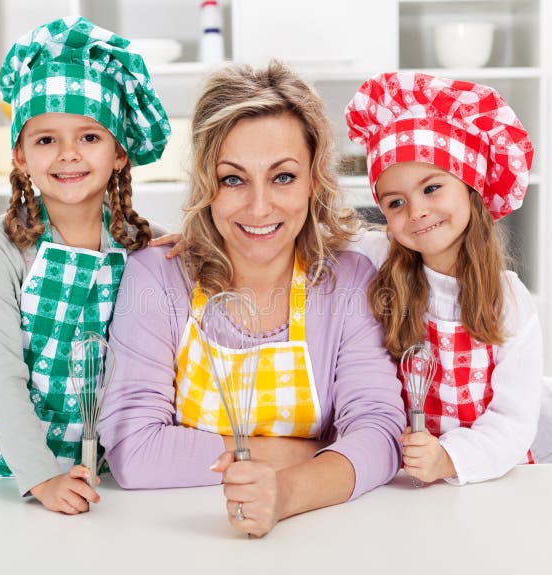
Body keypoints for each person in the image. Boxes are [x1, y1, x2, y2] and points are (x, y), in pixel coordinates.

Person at [98, 61, 405, 537]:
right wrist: (313, 451)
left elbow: (381, 436)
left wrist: (285, 495)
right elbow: (133, 454)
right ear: (206, 184)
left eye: (282, 177)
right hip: (171, 536)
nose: (259, 207)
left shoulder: (348, 282)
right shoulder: (156, 279)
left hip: (324, 533)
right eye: (233, 179)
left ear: (313, 180)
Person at [0, 16, 171, 515]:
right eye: (46, 139)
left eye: (90, 138)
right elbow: (1, 376)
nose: (68, 154)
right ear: (20, 154)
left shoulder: (143, 244)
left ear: (120, 153)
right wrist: (41, 477)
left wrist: (191, 245)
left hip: (90, 462)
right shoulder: (3, 247)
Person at [345, 71, 542, 486]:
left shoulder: (508, 300)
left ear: (472, 186)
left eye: (432, 188)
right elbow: (304, 239)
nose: (415, 211)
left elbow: (514, 422)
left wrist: (449, 458)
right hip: (400, 483)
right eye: (395, 202)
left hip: (486, 481)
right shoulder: (379, 257)